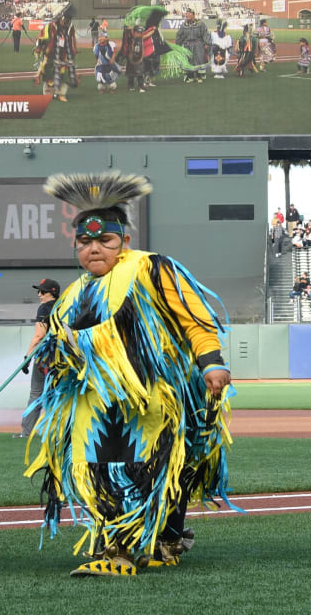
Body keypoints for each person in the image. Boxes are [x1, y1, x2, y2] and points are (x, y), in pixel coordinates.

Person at [27, 171, 233, 577]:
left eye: (105, 240)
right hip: (96, 404)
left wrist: (211, 361)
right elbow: (62, 353)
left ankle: (161, 539)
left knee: (152, 467)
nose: (94, 249)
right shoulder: (71, 295)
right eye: (85, 242)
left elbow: (191, 318)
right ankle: (118, 549)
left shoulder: (151, 269)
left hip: (152, 397)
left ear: (124, 241)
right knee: (100, 469)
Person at [20, 278, 60, 438]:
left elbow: (39, 336)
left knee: (36, 393)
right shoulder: (65, 307)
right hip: (64, 359)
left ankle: (27, 432)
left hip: (45, 359)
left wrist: (27, 357)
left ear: (52, 293)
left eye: (42, 291)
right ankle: (57, 432)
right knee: (58, 395)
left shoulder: (44, 308)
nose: (39, 294)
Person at [93, 30, 119, 94]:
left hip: (110, 64)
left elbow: (115, 50)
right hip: (101, 65)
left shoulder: (111, 44)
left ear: (106, 37)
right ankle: (102, 88)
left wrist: (113, 58)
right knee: (101, 77)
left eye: (102, 36)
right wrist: (97, 62)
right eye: (99, 37)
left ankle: (111, 88)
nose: (100, 38)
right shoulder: (96, 46)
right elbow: (96, 56)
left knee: (110, 77)